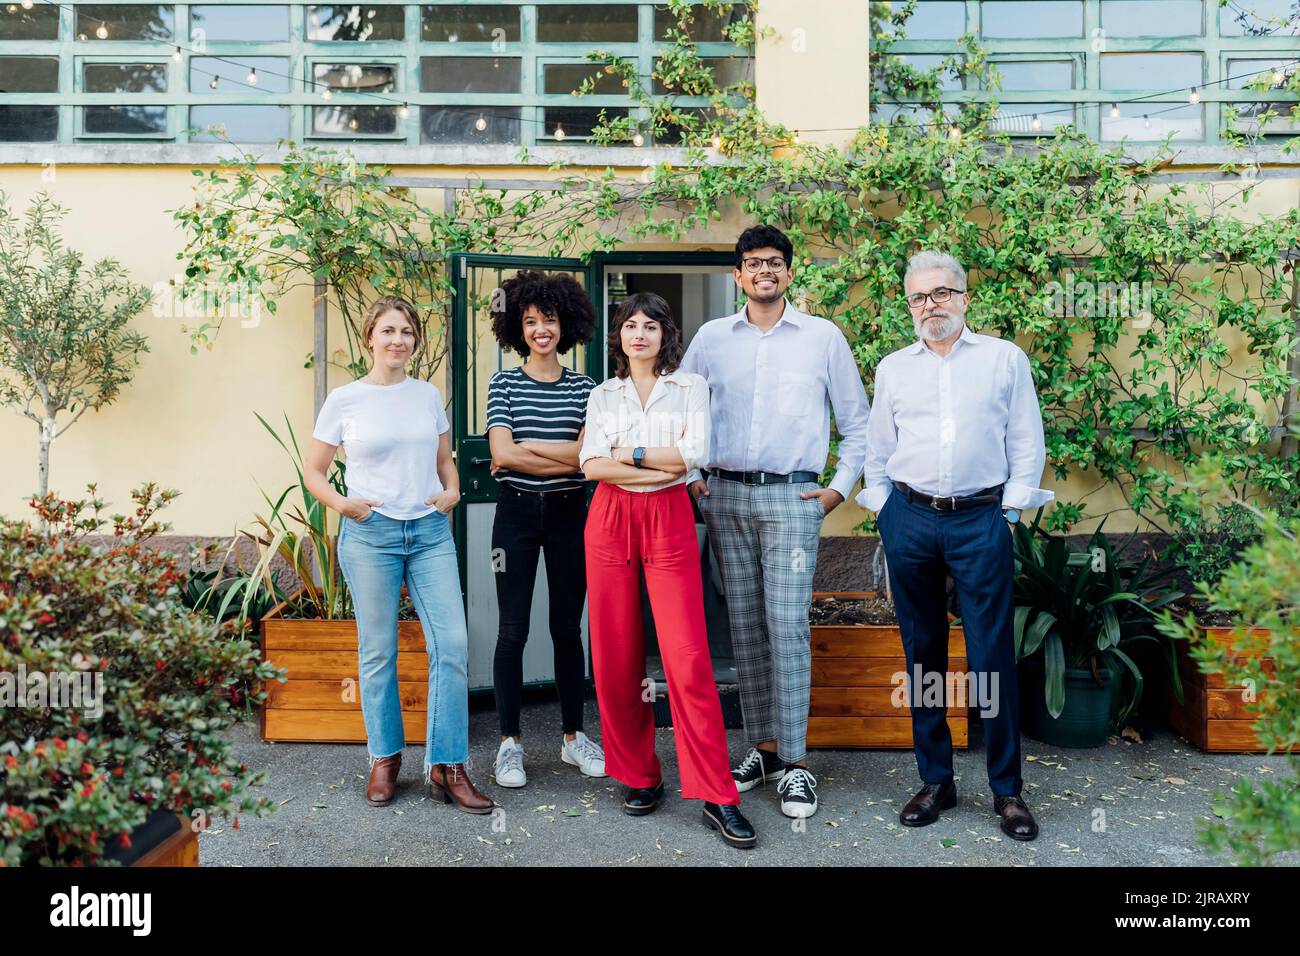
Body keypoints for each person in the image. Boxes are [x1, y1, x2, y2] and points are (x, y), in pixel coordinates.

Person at [858, 250, 1054, 842]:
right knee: (923, 654)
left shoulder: (1003, 360)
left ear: (964, 298)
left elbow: (1026, 439)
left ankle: (1007, 790)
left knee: (992, 653)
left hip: (981, 519)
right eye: (919, 297)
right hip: (911, 518)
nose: (930, 306)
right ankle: (936, 778)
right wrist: (885, 508)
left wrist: (1012, 513)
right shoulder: (894, 367)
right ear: (910, 306)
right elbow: (877, 447)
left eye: (940, 293)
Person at [682, 224, 871, 819]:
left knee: (786, 626)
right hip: (726, 498)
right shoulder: (712, 339)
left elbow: (859, 424)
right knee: (746, 629)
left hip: (793, 501)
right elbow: (679, 407)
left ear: (790, 272)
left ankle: (795, 764)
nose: (764, 270)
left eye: (775, 262)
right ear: (737, 275)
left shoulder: (822, 338)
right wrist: (693, 483)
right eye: (752, 262)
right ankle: (761, 749)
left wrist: (837, 492)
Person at [580, 291, 756, 849]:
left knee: (686, 658)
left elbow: (693, 454)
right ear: (619, 336)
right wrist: (653, 461)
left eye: (650, 326)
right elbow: (589, 464)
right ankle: (639, 774)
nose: (639, 334)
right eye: (630, 325)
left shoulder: (691, 387)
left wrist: (628, 457)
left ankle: (716, 794)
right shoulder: (603, 394)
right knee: (614, 654)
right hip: (609, 519)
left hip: (669, 517)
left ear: (665, 335)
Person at [305, 295, 493, 815]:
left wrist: (452, 490)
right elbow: (314, 472)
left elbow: (444, 460)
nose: (398, 340)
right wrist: (346, 505)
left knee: (452, 646)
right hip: (371, 537)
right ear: (370, 337)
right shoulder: (344, 400)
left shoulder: (426, 395)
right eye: (388, 331)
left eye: (406, 332)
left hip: (430, 533)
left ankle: (446, 765)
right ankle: (385, 759)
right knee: (378, 653)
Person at [485, 270, 606, 787]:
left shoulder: (587, 388)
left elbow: (588, 459)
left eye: (549, 320)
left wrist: (527, 450)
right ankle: (509, 743)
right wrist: (562, 455)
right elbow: (498, 453)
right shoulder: (503, 382)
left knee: (566, 629)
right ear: (517, 326)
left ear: (566, 324)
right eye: (530, 321)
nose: (540, 329)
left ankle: (574, 739)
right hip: (513, 515)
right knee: (512, 630)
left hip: (567, 514)